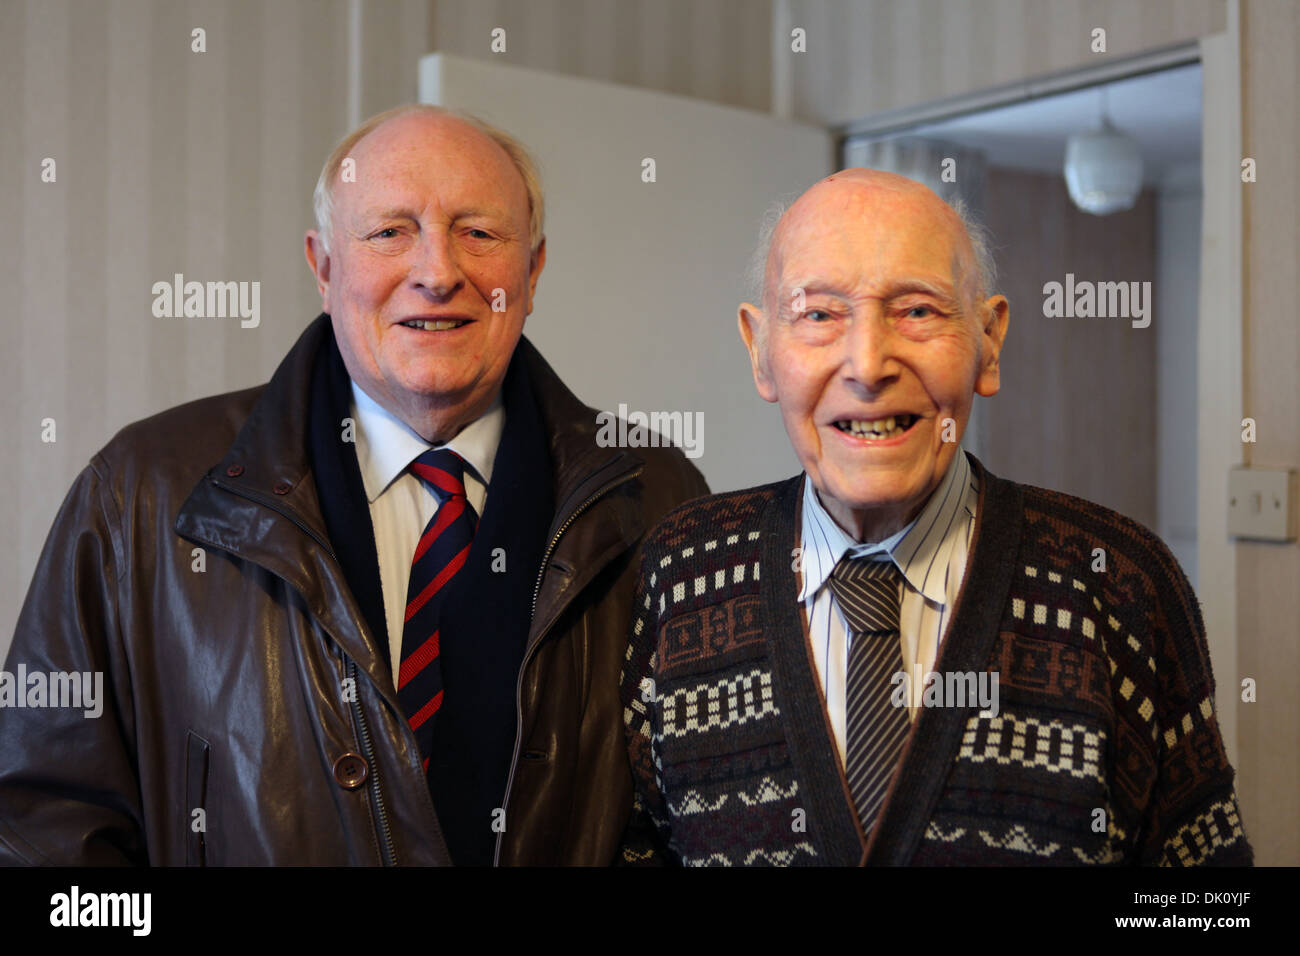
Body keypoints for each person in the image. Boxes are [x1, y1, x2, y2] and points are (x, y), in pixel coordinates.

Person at [0, 104, 708, 866]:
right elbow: (43, 836)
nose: (438, 272)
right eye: (389, 232)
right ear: (325, 266)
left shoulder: (656, 492)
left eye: (479, 232)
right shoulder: (142, 491)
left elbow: (700, 817)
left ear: (530, 272)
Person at [619, 169, 1251, 866]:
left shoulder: (1121, 586)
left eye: (918, 311)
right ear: (760, 351)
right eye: (821, 314)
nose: (867, 365)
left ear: (988, 339)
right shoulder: (679, 573)